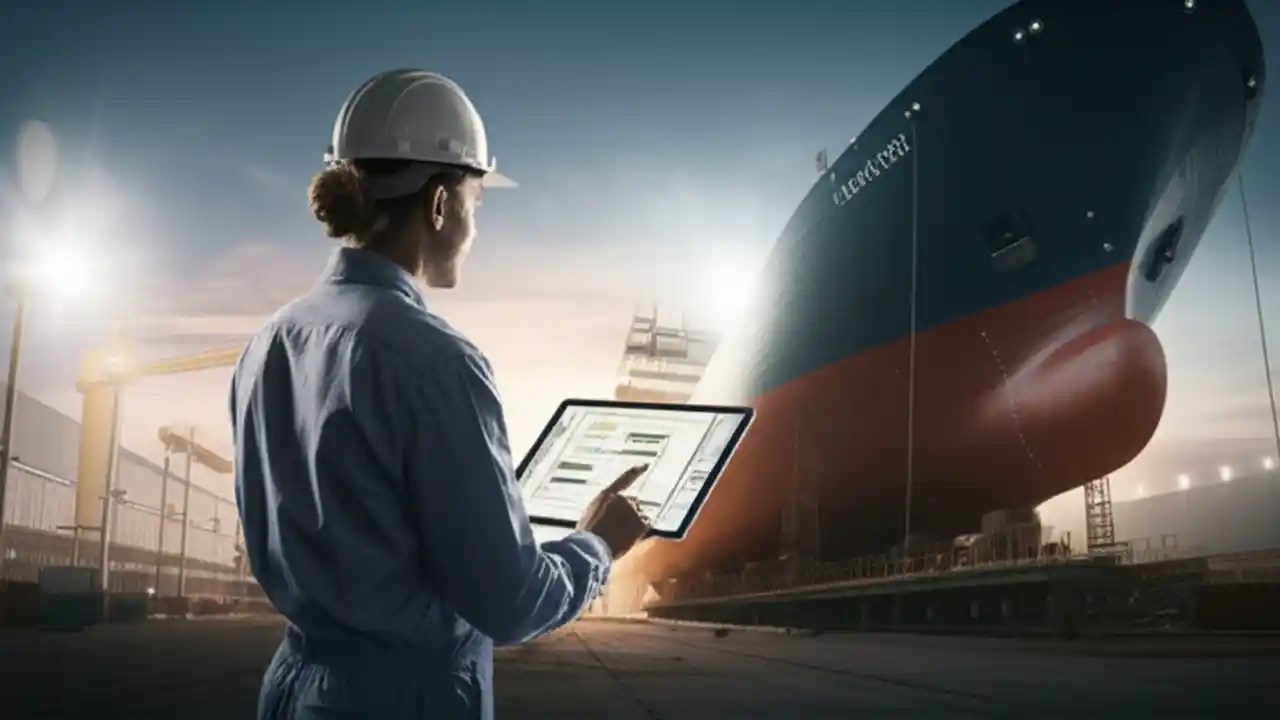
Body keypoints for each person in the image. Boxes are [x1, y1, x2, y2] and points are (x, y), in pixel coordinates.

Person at [229, 69, 651, 720]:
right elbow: (510, 602)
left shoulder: (269, 343)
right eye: (475, 204)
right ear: (438, 204)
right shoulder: (437, 362)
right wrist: (597, 544)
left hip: (291, 691)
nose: (474, 229)